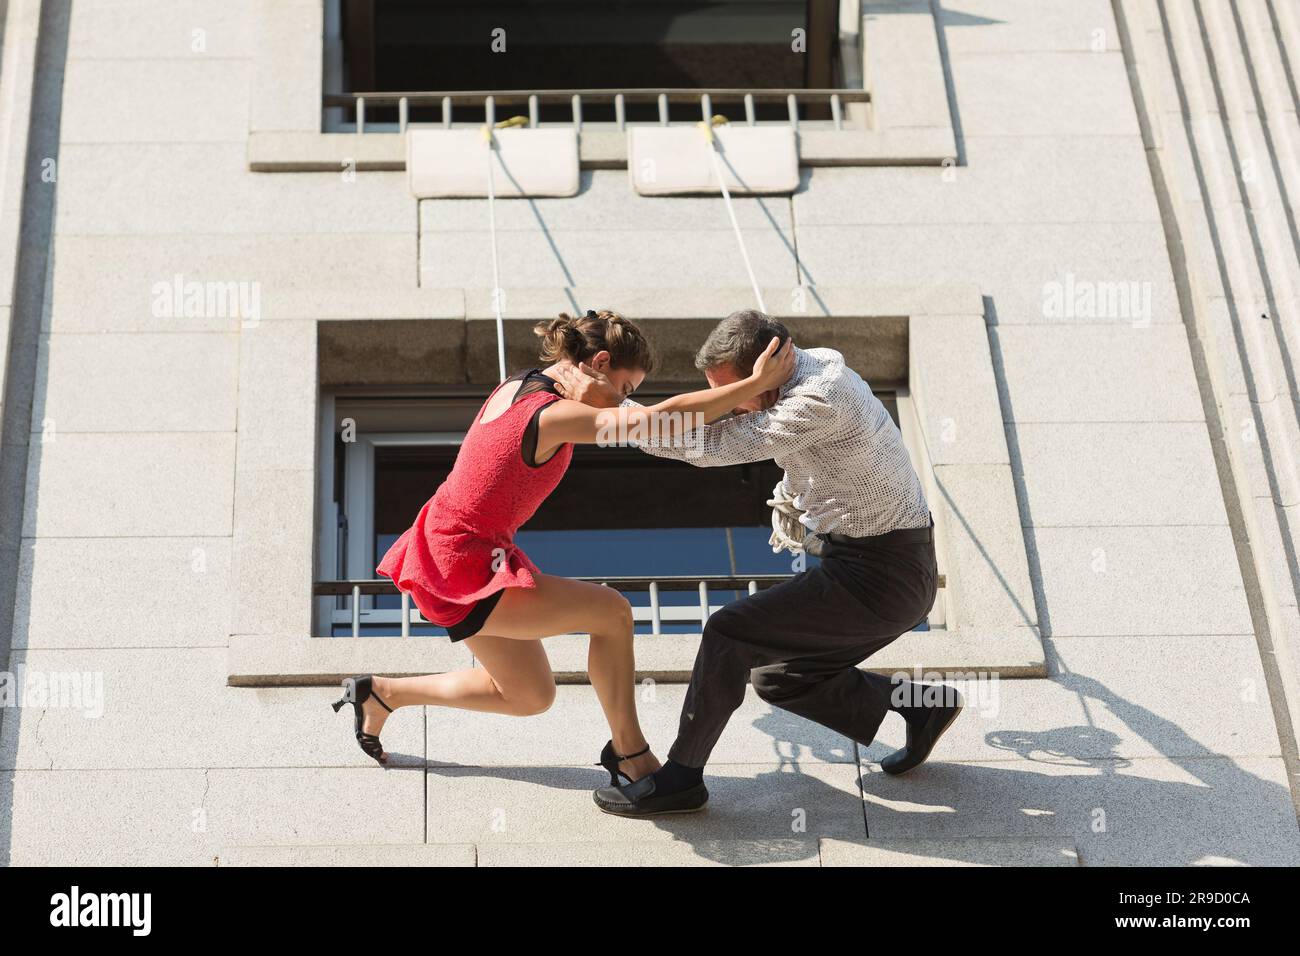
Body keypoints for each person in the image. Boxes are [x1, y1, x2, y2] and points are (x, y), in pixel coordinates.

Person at [331, 309, 796, 792]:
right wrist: (754, 385)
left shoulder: (520, 384)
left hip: (448, 549)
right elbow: (657, 422)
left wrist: (610, 397)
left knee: (528, 694)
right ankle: (631, 754)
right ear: (599, 361)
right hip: (462, 561)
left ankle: (381, 694)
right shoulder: (551, 416)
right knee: (612, 614)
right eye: (626, 387)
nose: (623, 399)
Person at [553, 309, 962, 816]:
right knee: (779, 679)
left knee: (729, 632)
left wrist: (614, 410)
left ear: (768, 364)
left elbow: (710, 446)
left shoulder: (820, 397)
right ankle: (923, 707)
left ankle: (681, 778)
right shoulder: (813, 363)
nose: (731, 406)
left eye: (735, 392)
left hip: (885, 575)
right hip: (867, 563)